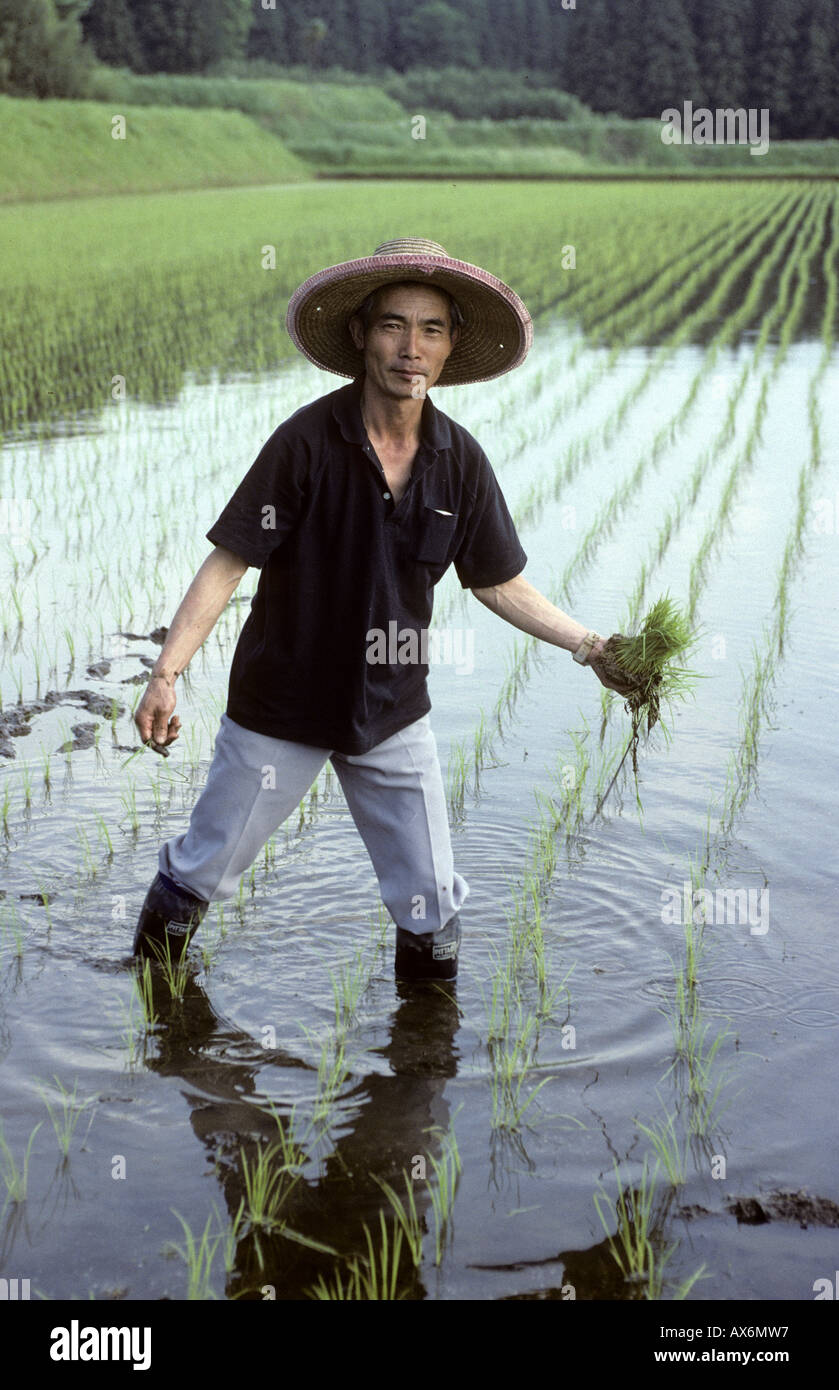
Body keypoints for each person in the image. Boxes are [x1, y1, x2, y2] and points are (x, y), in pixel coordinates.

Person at [131, 237, 634, 982]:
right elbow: (231, 559)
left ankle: (421, 1067)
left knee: (430, 899)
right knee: (205, 871)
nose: (410, 346)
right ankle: (149, 1018)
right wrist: (167, 673)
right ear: (362, 335)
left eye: (431, 329)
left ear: (451, 345)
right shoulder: (307, 443)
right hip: (283, 706)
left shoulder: (458, 460)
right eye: (393, 325)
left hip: (392, 707)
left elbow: (498, 582)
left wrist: (591, 646)